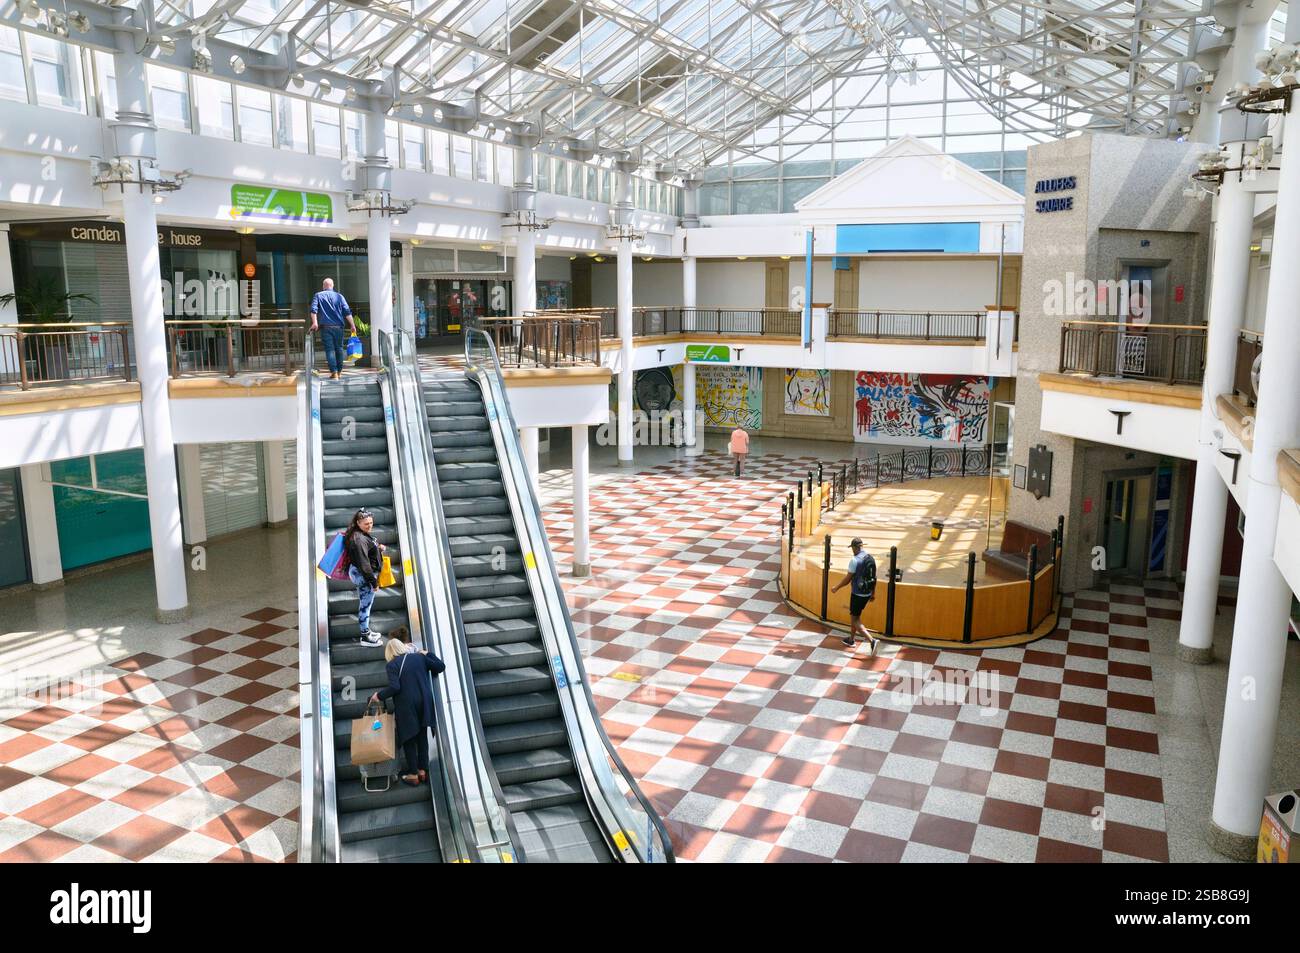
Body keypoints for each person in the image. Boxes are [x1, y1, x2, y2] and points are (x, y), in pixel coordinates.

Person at [370, 638, 446, 787]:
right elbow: (440, 666)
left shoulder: (392, 665)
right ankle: (422, 770)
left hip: (406, 705)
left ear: (390, 652)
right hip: (424, 702)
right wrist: (428, 654)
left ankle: (413, 773)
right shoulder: (419, 658)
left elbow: (395, 687)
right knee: (422, 736)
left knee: (409, 738)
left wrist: (378, 695)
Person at [345, 508, 386, 646]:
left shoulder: (360, 534)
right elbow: (364, 564)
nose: (370, 526)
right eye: (366, 523)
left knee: (366, 605)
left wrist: (378, 548)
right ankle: (365, 637)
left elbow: (367, 551)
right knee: (365, 606)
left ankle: (367, 631)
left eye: (371, 522)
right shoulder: (359, 539)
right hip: (365, 577)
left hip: (364, 575)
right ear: (358, 523)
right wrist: (373, 583)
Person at [831, 537, 878, 654]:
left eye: (852, 548)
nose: (852, 550)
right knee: (855, 616)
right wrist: (873, 593)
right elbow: (874, 578)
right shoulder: (870, 557)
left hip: (857, 594)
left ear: (854, 547)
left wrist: (836, 588)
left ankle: (872, 641)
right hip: (867, 593)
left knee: (855, 620)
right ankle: (851, 639)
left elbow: (848, 579)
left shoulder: (855, 560)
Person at [309, 277, 356, 380]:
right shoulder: (340, 297)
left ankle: (333, 372)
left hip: (326, 327)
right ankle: (339, 372)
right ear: (332, 286)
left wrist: (315, 323)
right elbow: (347, 312)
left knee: (329, 350)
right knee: (339, 349)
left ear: (323, 286)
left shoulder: (318, 295)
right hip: (339, 327)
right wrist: (352, 325)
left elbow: (313, 310)